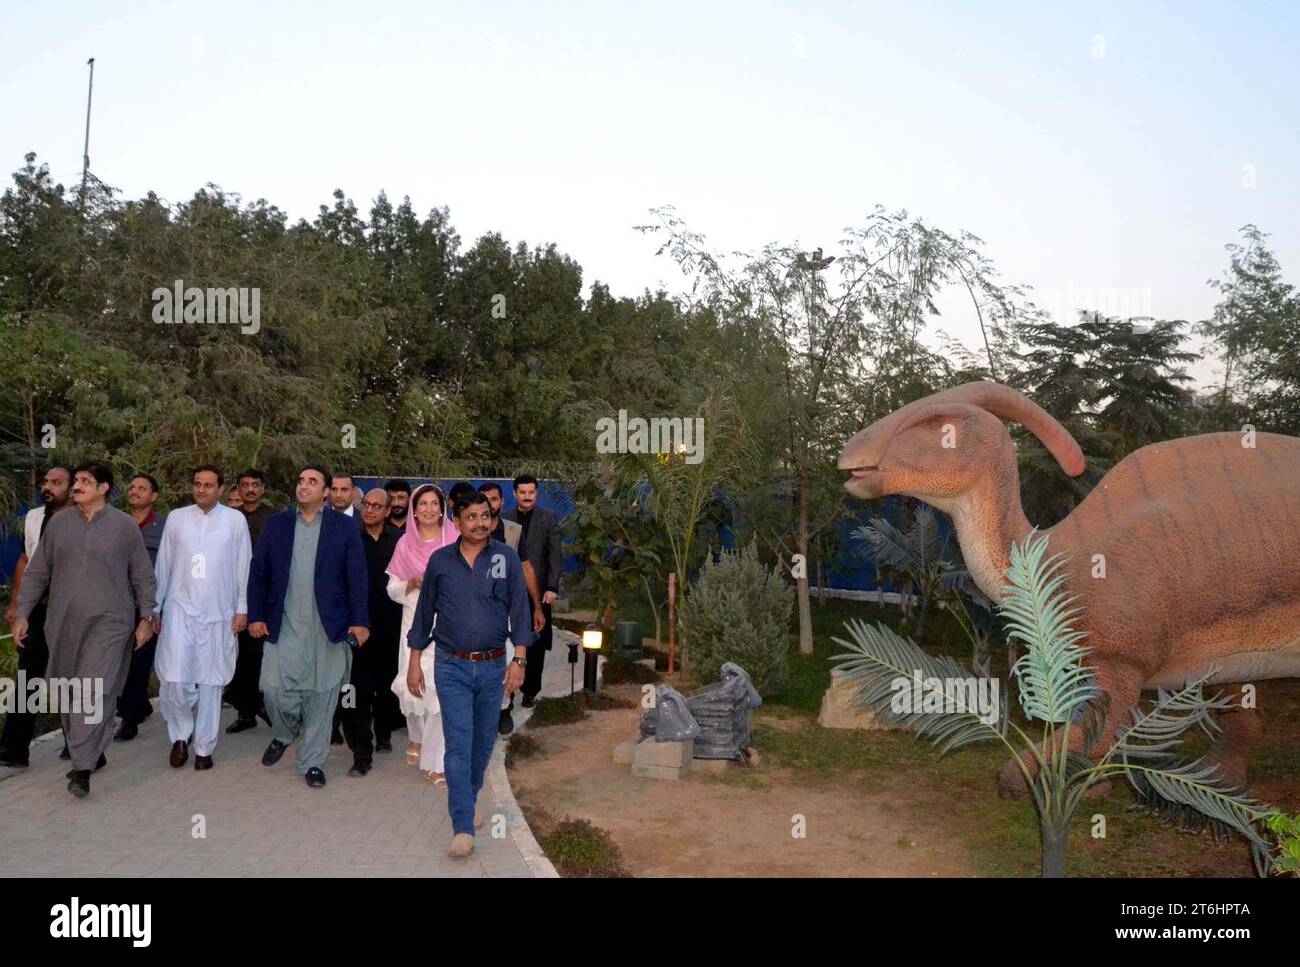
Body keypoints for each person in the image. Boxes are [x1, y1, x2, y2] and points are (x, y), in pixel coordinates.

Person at [12, 462, 156, 797]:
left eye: (85, 482)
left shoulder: (123, 527)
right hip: (63, 623)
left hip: (111, 622)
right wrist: (22, 614)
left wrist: (146, 618)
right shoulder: (59, 524)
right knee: (69, 691)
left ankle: (81, 767)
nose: (77, 487)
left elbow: (142, 576)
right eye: (75, 481)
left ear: (104, 488)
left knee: (97, 690)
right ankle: (88, 751)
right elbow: (37, 573)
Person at [406, 489, 534, 857]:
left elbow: (520, 612)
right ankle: (462, 826)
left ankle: (470, 797)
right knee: (458, 746)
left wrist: (519, 661)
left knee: (481, 745)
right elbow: (424, 612)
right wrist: (415, 661)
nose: (479, 523)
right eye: (471, 517)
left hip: (494, 665)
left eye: (485, 516)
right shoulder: (441, 561)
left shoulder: (505, 557)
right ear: (457, 522)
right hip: (451, 665)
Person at [246, 465, 368, 788]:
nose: (304, 486)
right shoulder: (277, 525)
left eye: (312, 482)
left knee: (323, 695)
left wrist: (359, 621)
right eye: (300, 481)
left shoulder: (343, 528)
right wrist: (255, 615)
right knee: (273, 689)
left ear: (326, 491)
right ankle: (284, 734)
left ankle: (313, 762)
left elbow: (357, 577)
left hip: (329, 625)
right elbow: (258, 573)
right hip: (283, 623)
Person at [152, 466, 252, 770]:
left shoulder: (235, 520)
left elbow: (242, 565)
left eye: (208, 485)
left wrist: (242, 608)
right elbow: (164, 564)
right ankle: (180, 734)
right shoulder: (177, 518)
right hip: (179, 611)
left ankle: (204, 748)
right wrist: (155, 608)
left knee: (211, 681)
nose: (201, 490)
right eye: (197, 484)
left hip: (218, 613)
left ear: (221, 489)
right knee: (174, 679)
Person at [0, 466, 72, 768]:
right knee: (28, 676)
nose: (48, 487)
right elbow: (25, 560)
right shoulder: (33, 517)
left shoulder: (82, 519)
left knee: (73, 676)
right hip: (37, 609)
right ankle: (14, 750)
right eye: (46, 482)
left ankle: (80, 743)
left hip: (70, 610)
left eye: (57, 483)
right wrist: (16, 605)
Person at [387, 483, 458, 781]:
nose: (429, 509)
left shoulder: (455, 540)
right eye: (423, 504)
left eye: (434, 503)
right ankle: (416, 736)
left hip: (449, 622)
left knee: (441, 692)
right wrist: (412, 583)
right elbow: (392, 589)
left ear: (442, 508)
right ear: (414, 511)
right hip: (414, 621)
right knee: (415, 687)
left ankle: (435, 761)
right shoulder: (405, 544)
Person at [340, 489, 402, 776]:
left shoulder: (400, 542)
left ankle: (385, 732)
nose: (370, 510)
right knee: (355, 690)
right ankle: (361, 753)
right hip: (357, 628)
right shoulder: (349, 538)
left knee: (388, 686)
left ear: (388, 511)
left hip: (392, 625)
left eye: (377, 506)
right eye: (366, 505)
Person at [480, 482, 545, 735]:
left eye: (493, 499)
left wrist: (536, 607)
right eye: (483, 499)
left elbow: (526, 567)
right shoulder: (468, 529)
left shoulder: (512, 531)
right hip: (476, 609)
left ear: (501, 502)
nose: (488, 504)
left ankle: (504, 708)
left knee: (508, 659)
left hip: (507, 610)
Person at [113, 473, 168, 742]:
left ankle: (129, 718)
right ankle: (141, 706)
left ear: (154, 496)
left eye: (142, 488)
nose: (134, 492)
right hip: (115, 603)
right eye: (132, 487)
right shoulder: (115, 523)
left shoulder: (165, 527)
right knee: (118, 660)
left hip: (147, 605)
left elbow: (171, 568)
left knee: (138, 660)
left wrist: (160, 609)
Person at [502, 474, 562, 708]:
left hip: (538, 591)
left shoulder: (548, 518)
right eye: (523, 492)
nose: (527, 497)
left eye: (531, 492)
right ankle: (509, 692)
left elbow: (554, 554)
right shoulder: (505, 519)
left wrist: (552, 587)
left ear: (536, 493)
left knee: (537, 642)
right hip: (509, 592)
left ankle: (530, 690)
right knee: (510, 639)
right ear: (515, 494)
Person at [226, 468, 275, 734]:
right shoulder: (227, 518)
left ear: (263, 488)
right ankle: (245, 712)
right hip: (229, 596)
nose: (250, 490)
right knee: (237, 656)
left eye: (255, 485)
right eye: (244, 485)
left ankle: (262, 704)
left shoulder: (274, 518)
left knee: (258, 655)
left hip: (263, 596)